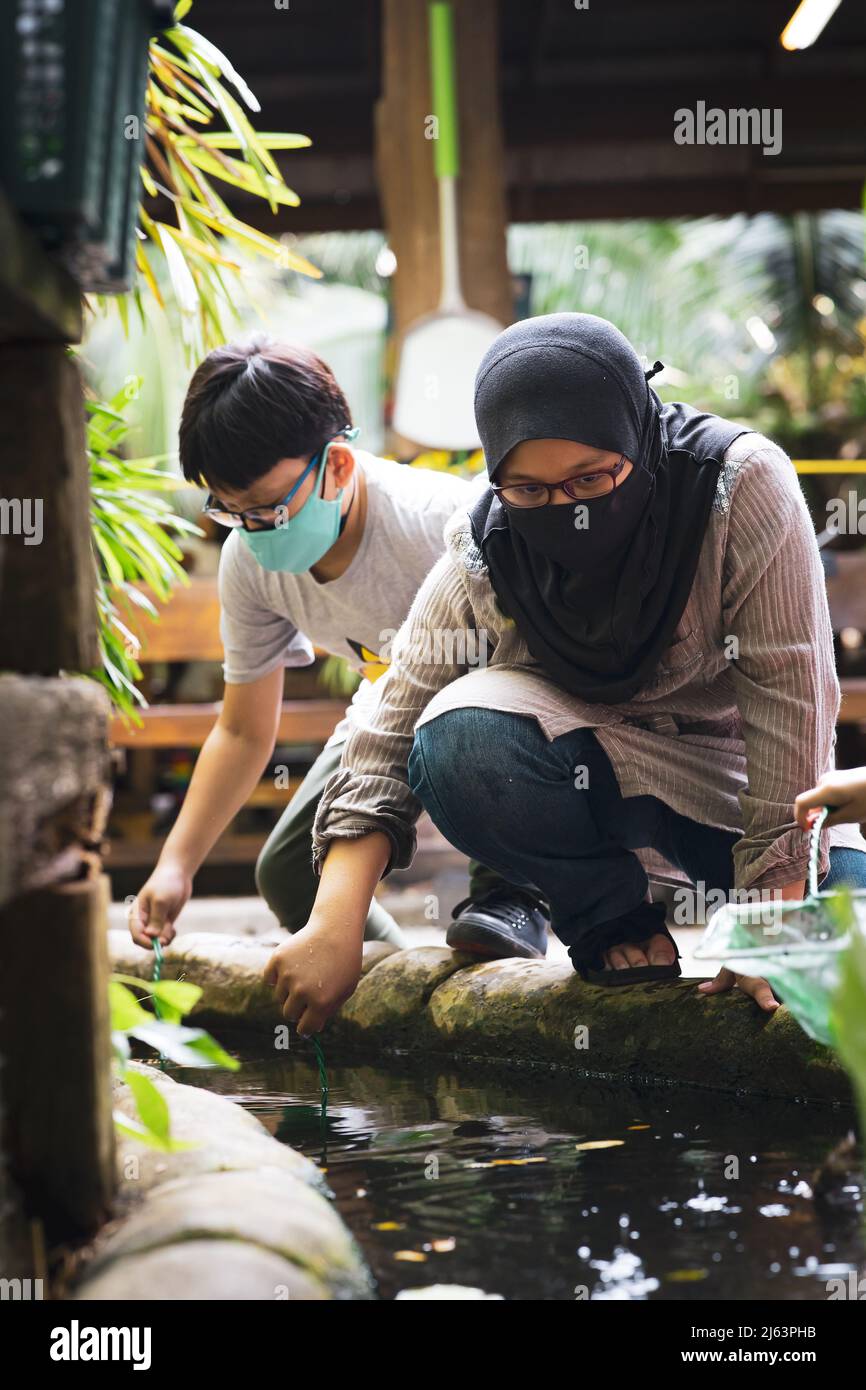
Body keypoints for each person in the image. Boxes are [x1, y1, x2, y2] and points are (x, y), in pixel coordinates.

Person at [263, 312, 866, 1036]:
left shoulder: (737, 488)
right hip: (592, 781)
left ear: (636, 438)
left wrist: (776, 914)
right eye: (531, 492)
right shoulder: (487, 546)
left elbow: (789, 702)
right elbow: (388, 727)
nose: (567, 510)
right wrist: (335, 923)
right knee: (455, 734)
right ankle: (609, 918)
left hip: (739, 805)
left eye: (592, 478)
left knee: (851, 938)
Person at [127, 339, 546, 958]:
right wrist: (175, 865)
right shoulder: (249, 563)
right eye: (230, 512)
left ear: (339, 467)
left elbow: (541, 669)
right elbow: (243, 732)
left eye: (270, 509)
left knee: (476, 747)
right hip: (385, 712)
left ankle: (512, 901)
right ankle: (387, 984)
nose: (252, 531)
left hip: (496, 712)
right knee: (292, 870)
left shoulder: (440, 522)